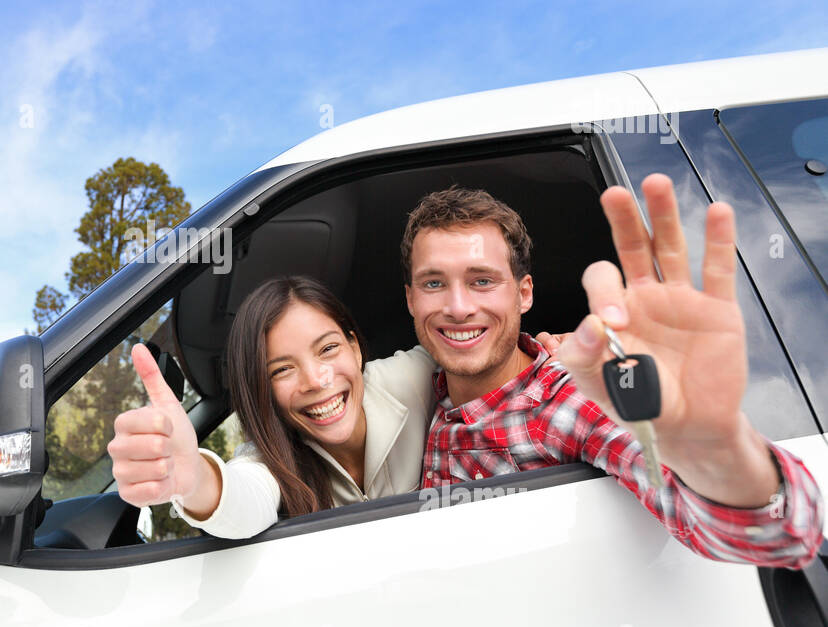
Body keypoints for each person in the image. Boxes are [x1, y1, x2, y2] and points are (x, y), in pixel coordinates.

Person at [405, 178, 823, 568]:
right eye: (434, 283)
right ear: (410, 299)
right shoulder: (424, 392)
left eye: (481, 281)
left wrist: (718, 451)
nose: (458, 307)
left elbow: (779, 538)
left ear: (524, 293)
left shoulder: (570, 400)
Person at [109, 275, 565, 539]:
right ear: (262, 389)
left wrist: (550, 351)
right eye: (282, 370)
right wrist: (193, 479)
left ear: (355, 347)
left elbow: (491, 357)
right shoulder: (269, 459)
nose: (316, 380)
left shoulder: (414, 375)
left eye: (327, 349)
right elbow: (242, 499)